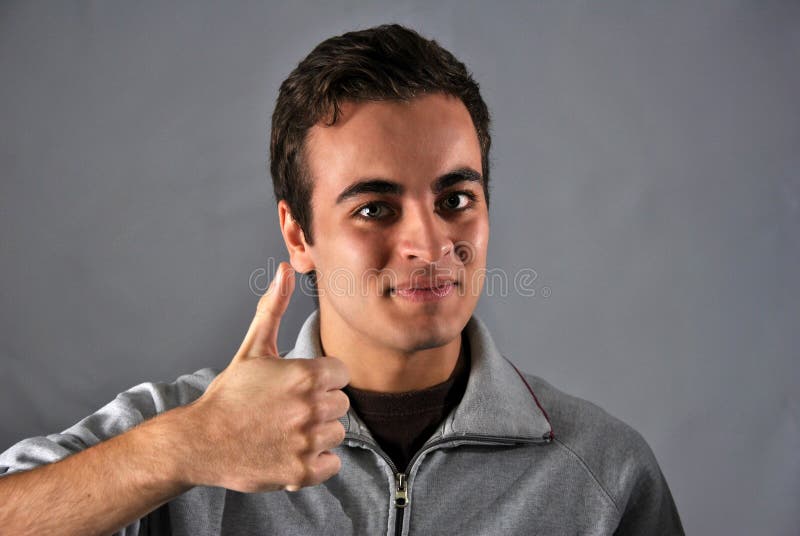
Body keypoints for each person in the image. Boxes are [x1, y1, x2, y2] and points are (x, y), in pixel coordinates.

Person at [0, 24, 684, 535]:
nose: (429, 242)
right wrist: (182, 449)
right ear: (299, 234)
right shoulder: (182, 433)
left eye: (455, 199)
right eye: (375, 208)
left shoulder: (605, 471)